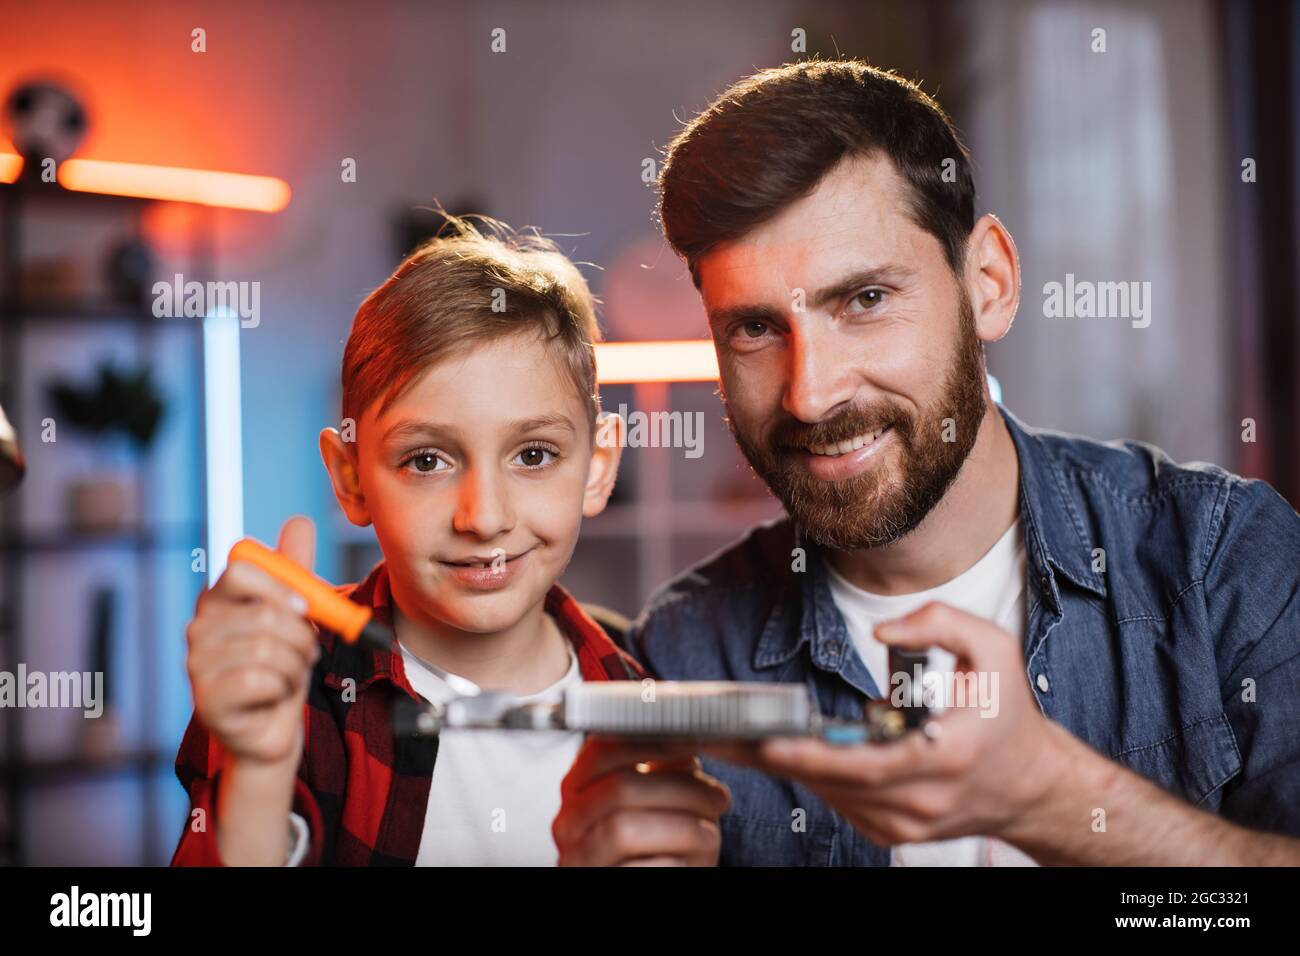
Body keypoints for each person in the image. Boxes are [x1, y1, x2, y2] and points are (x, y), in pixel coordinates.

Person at [554, 59, 1300, 866]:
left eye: (865, 300)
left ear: (990, 283)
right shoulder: (686, 653)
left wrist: (1056, 801)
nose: (812, 395)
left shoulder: (1223, 563)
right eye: (755, 329)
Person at [170, 216, 730, 866]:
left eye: (534, 454)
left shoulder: (646, 701)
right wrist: (258, 776)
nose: (484, 518)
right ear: (350, 479)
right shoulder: (288, 686)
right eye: (427, 461)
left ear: (598, 467)